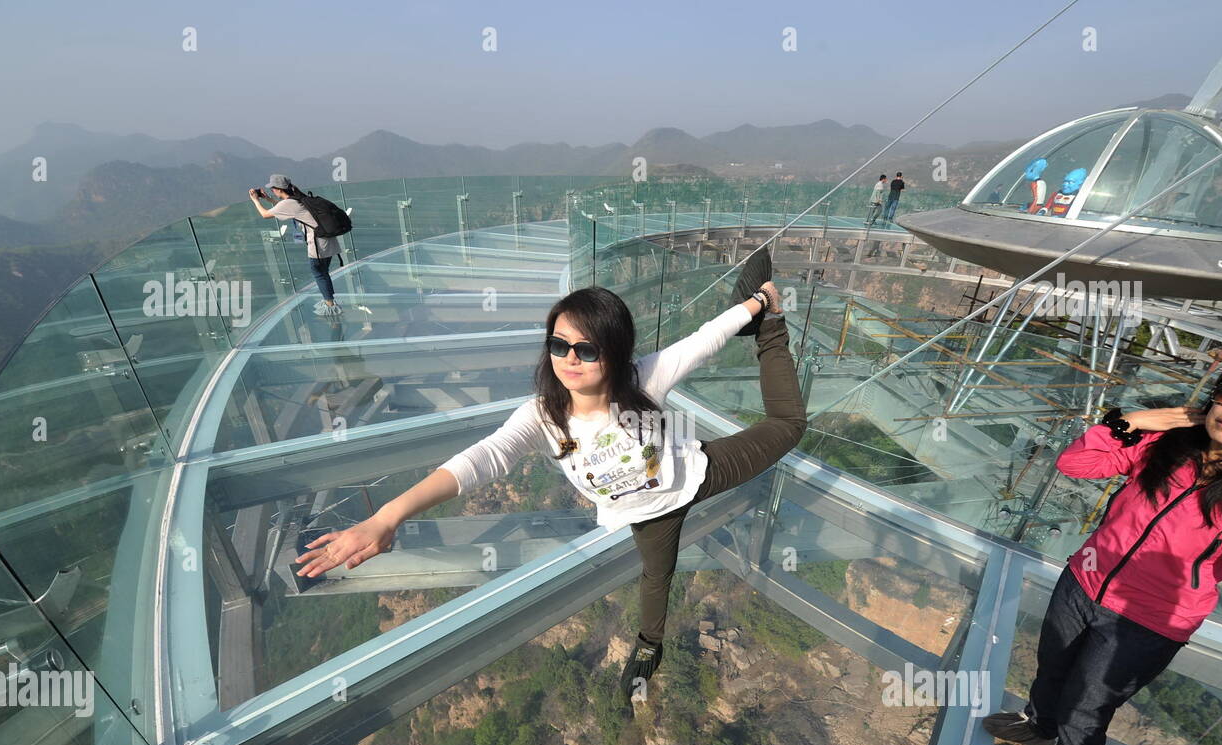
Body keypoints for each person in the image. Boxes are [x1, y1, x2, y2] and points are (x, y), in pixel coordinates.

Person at [294, 254, 806, 711]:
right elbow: (485, 458)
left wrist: (758, 307)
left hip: (696, 474)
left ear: (616, 351)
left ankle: (771, 328)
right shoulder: (544, 416)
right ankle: (651, 644)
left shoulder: (643, 379)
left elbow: (703, 340)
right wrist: (388, 517)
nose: (569, 359)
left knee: (788, 426)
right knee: (656, 577)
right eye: (559, 345)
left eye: (587, 349)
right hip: (642, 513)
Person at [984, 350, 1222, 745]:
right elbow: (1076, 463)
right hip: (1085, 579)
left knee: (1087, 708)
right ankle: (1039, 724)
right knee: (1053, 664)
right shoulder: (1167, 447)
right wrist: (1130, 422)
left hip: (1150, 622)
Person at [249, 174, 343, 316]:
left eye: (273, 189)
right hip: (328, 239)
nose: (272, 191)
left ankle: (330, 306)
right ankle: (330, 301)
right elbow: (284, 208)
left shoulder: (289, 203)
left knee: (318, 273)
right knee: (323, 272)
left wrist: (255, 200)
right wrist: (268, 199)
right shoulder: (299, 198)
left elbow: (265, 214)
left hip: (318, 244)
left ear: (279, 189)